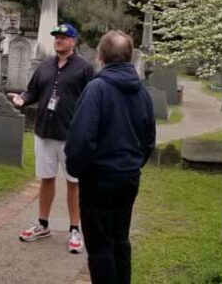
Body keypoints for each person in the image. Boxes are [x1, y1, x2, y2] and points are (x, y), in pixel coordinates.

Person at [64, 30, 156, 284]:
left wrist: (78, 169)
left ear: (101, 56)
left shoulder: (97, 89)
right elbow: (149, 140)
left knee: (101, 245)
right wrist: (133, 165)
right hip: (128, 178)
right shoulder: (143, 93)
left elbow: (81, 138)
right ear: (128, 57)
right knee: (120, 239)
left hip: (99, 179)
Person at [8, 23, 94, 254]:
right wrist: (22, 99)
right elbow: (33, 91)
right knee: (46, 179)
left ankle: (75, 229)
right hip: (44, 132)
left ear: (73, 42)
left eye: (64, 37)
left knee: (73, 182)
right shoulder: (45, 67)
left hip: (71, 136)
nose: (59, 40)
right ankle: (42, 224)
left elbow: (92, 100)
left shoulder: (84, 69)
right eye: (56, 37)